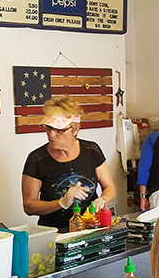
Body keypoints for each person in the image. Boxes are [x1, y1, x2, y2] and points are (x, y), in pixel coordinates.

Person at [22, 96, 116, 233]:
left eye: (59, 130)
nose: (51, 135)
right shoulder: (37, 159)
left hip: (91, 228)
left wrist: (101, 200)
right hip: (55, 233)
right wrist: (61, 202)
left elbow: (110, 187)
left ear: (75, 130)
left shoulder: (91, 151)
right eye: (48, 128)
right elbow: (29, 206)